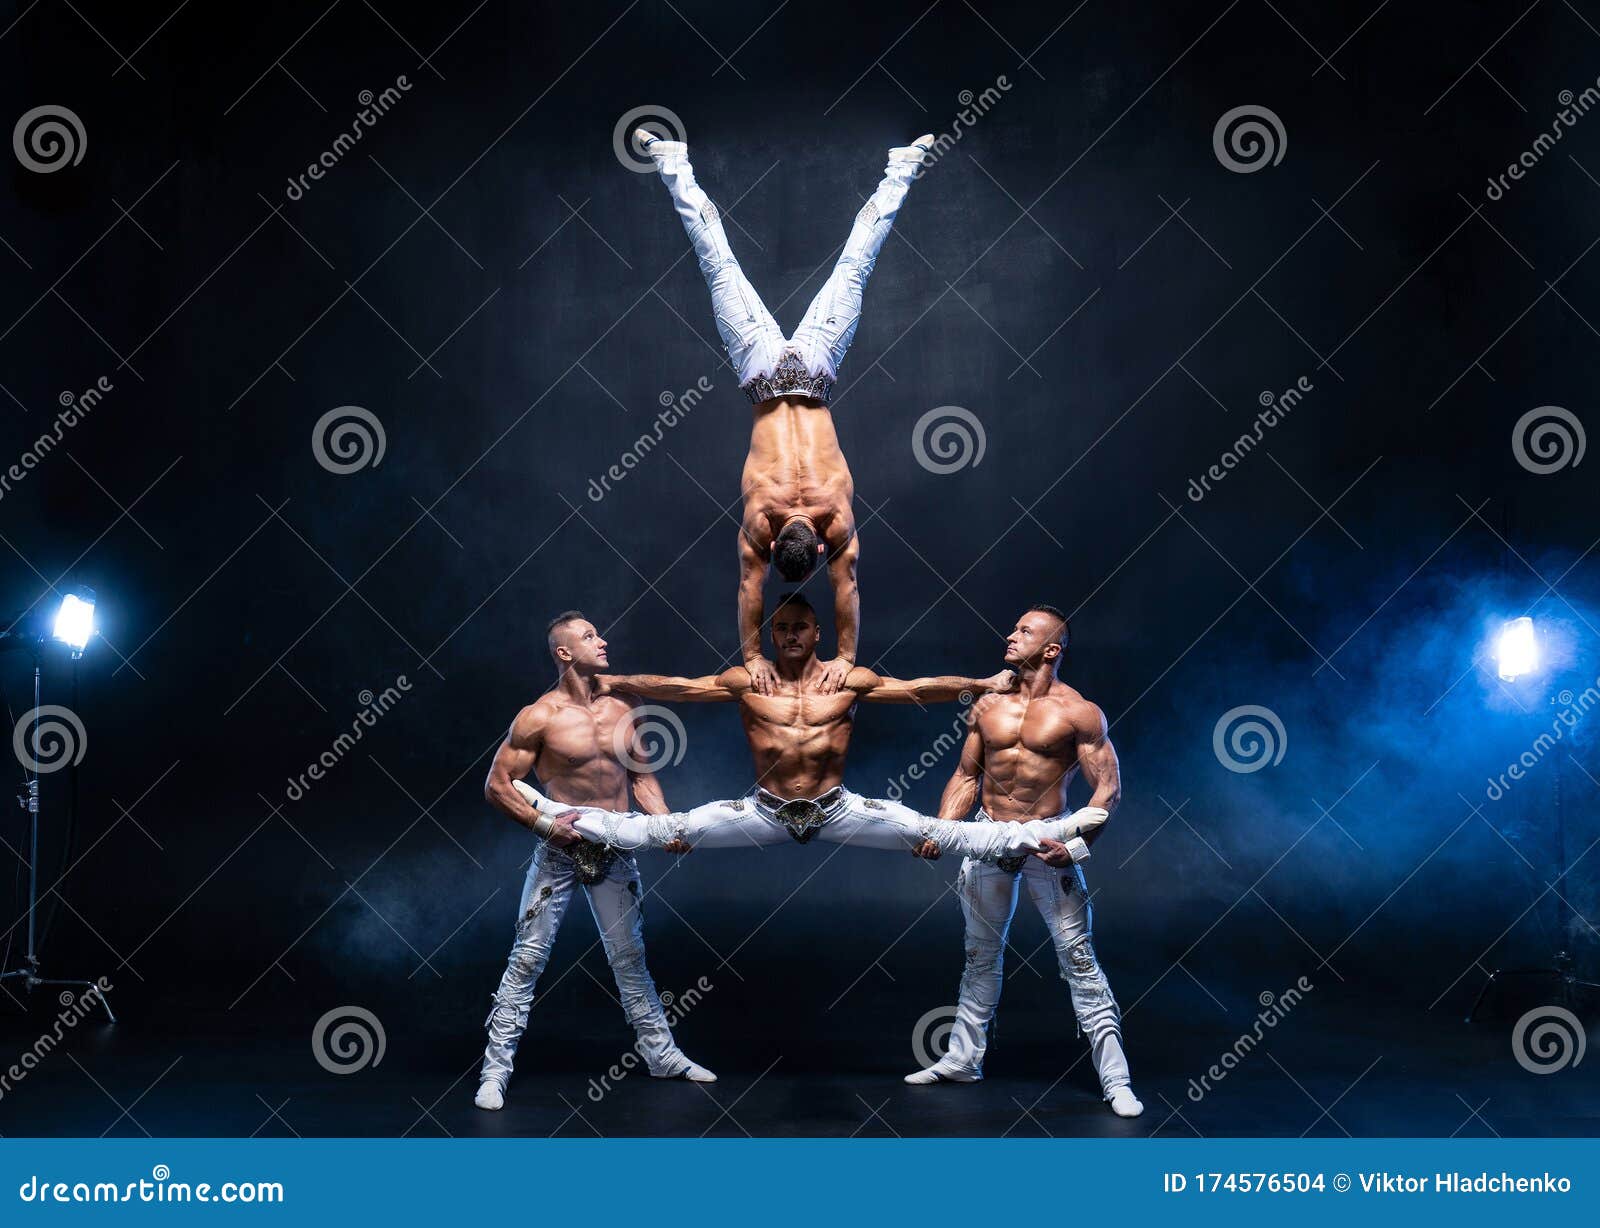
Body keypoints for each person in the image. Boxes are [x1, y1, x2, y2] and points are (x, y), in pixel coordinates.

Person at [636, 128, 935, 696]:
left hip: (807, 371)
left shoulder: (836, 528)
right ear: (780, 548)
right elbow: (754, 590)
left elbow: (843, 589)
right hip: (770, 374)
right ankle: (672, 159)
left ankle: (903, 165)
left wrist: (840, 655)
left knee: (852, 263)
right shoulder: (761, 530)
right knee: (718, 259)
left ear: (815, 548)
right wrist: (812, 657)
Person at [513, 594, 1109, 861]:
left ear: (818, 633)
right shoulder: (750, 680)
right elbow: (683, 687)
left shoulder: (847, 680)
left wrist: (978, 685)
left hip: (835, 808)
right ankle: (566, 817)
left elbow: (915, 689)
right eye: (782, 629)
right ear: (772, 635)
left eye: (802, 627)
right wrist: (621, 683)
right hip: (766, 809)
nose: (791, 636)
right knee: (675, 830)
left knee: (926, 829)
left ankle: (1048, 834)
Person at [905, 605, 1143, 1118]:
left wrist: (1078, 847)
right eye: (1013, 627)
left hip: (1046, 838)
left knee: (1079, 962)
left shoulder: (1079, 712)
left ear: (1051, 649)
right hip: (990, 833)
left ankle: (1117, 1080)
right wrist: (942, 829)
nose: (1010, 636)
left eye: (1024, 631)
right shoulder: (988, 705)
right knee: (978, 955)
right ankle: (963, 1060)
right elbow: (967, 776)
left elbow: (1109, 789)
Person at [474, 611, 714, 1111]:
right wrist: (547, 827)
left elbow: (642, 777)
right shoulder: (538, 716)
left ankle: (661, 1055)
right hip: (561, 852)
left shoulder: (626, 702)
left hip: (618, 849)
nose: (601, 641)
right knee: (527, 959)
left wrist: (665, 823)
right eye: (589, 636)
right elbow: (497, 787)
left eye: (598, 633)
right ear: (564, 653)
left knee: (630, 960)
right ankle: (494, 1071)